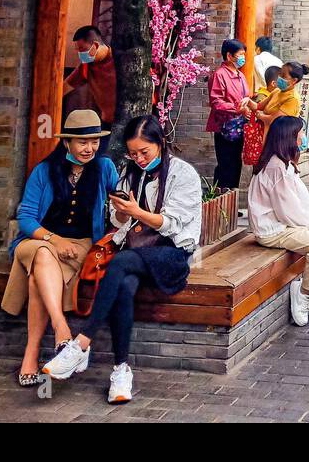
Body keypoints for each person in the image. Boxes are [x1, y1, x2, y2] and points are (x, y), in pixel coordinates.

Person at [43, 115, 201, 405]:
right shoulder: (129, 174)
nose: (139, 158)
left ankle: (81, 344)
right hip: (136, 255)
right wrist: (123, 213)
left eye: (145, 152)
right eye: (133, 153)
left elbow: (172, 224)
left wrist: (137, 212)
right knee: (124, 286)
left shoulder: (183, 174)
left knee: (122, 262)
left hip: (171, 255)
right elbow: (117, 221)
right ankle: (121, 370)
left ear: (160, 144)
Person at [3, 109, 120, 388]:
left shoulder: (104, 168)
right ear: (66, 142)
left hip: (81, 245)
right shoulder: (44, 170)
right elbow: (26, 218)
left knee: (36, 280)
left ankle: (31, 354)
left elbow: (118, 206)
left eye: (94, 141)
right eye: (82, 142)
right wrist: (54, 240)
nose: (89, 148)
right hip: (38, 241)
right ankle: (61, 327)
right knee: (42, 254)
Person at [248, 116, 309, 325]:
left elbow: (298, 204)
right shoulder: (276, 168)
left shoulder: (285, 163)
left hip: (289, 222)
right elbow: (287, 210)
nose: (303, 137)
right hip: (274, 229)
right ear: (289, 137)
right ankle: (304, 293)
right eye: (300, 133)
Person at [207, 38, 249, 190]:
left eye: (244, 54)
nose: (243, 57)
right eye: (240, 54)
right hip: (225, 126)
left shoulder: (240, 75)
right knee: (226, 164)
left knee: (236, 164)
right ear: (229, 56)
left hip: (239, 126)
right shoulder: (220, 75)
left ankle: (231, 202)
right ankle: (220, 203)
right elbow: (216, 103)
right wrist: (238, 108)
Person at [65, 26, 116, 153]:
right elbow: (66, 86)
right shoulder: (87, 66)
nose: (80, 54)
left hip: (129, 121)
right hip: (106, 124)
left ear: (95, 45)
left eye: (82, 49)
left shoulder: (120, 60)